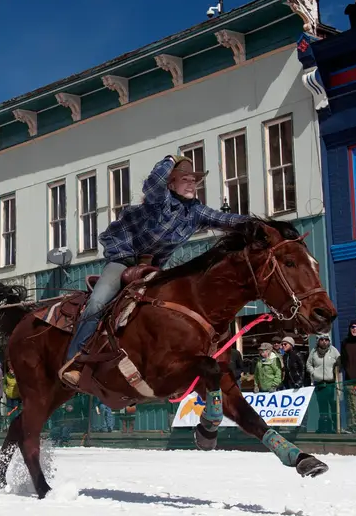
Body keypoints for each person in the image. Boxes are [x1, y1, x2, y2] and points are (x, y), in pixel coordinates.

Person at [61, 154, 250, 386]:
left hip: (154, 266)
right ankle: (75, 361)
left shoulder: (195, 211)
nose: (192, 184)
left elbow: (224, 218)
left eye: (194, 180)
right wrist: (170, 160)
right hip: (124, 259)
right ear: (171, 184)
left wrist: (259, 225)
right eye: (185, 179)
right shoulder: (158, 200)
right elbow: (153, 181)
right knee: (99, 301)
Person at [306, 335, 341, 433]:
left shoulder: (333, 351)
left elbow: (339, 363)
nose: (324, 342)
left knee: (333, 406)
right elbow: (308, 364)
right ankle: (324, 427)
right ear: (318, 341)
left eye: (326, 340)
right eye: (322, 340)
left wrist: (337, 369)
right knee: (322, 407)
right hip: (320, 384)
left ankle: (335, 427)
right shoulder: (314, 351)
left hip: (331, 383)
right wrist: (313, 372)